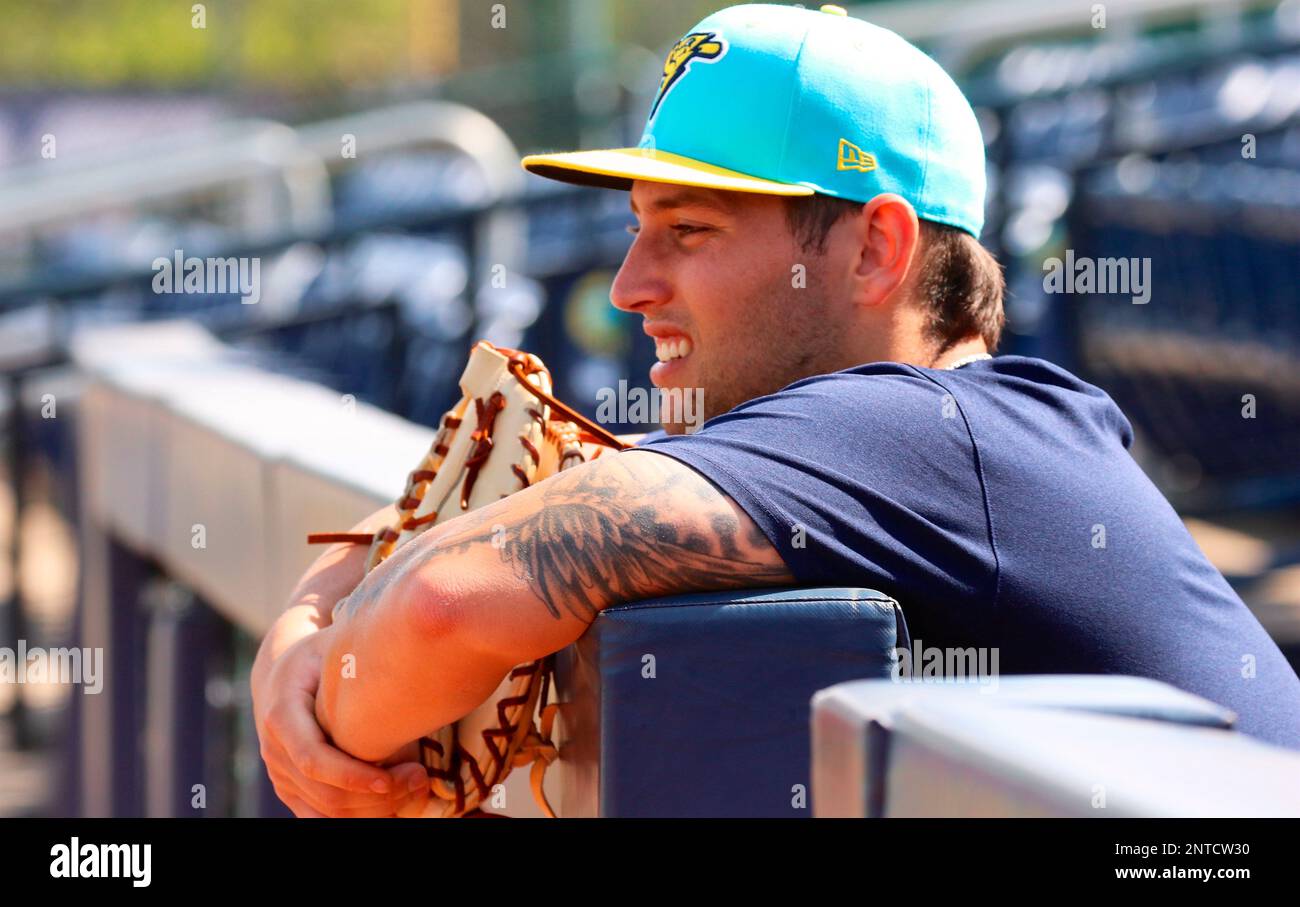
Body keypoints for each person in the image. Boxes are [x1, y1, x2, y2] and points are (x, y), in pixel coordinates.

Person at [252, 3, 1300, 818]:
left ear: (875, 252)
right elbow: (438, 548)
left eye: (691, 229)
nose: (628, 284)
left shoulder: (920, 432)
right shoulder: (938, 435)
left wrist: (309, 702)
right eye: (635, 227)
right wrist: (295, 638)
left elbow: (444, 599)